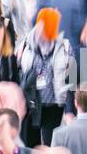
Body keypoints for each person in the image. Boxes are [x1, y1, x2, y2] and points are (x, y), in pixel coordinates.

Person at [20, 8, 74, 146]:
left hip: (54, 104)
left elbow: (71, 79)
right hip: (32, 103)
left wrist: (69, 109)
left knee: (50, 145)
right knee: (30, 145)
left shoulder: (65, 46)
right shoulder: (26, 45)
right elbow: (19, 70)